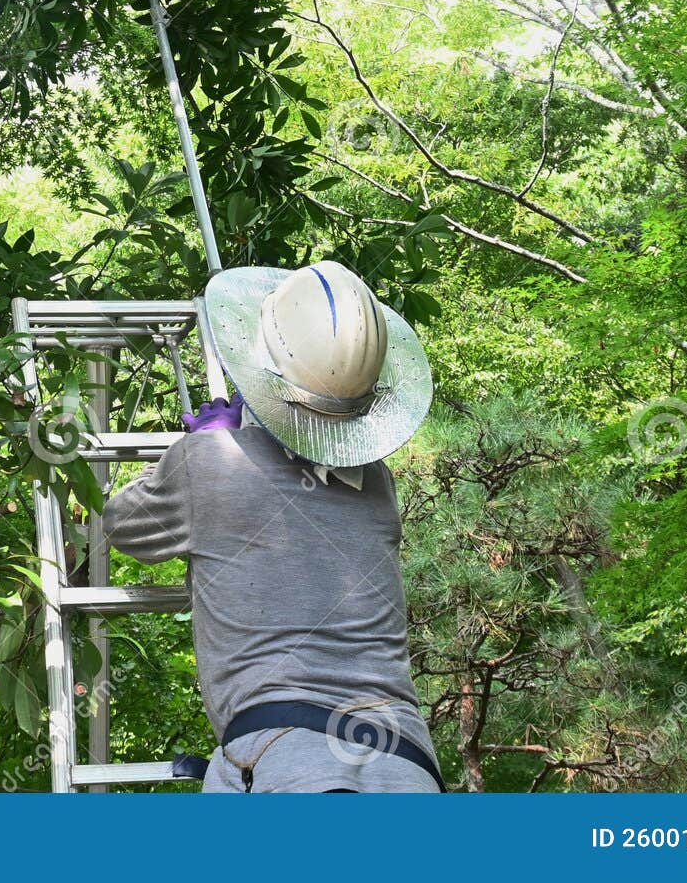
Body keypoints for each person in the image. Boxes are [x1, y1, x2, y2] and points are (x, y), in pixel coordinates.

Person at [102, 260, 441, 792]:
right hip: (407, 761)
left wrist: (193, 448)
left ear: (259, 369)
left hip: (288, 759)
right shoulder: (377, 482)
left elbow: (121, 524)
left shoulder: (209, 462)